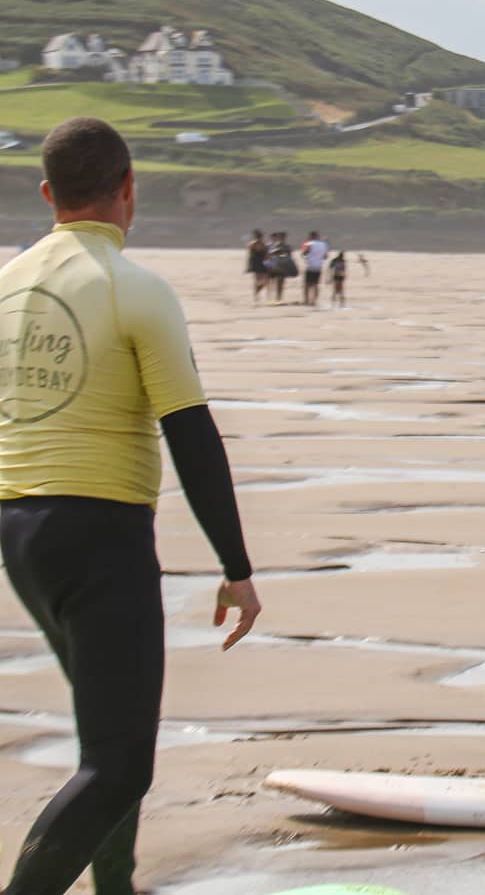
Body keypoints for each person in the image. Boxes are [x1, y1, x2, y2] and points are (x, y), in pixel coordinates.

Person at [0, 117, 261, 895]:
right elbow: (192, 436)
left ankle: (116, 885)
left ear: (49, 193)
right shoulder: (138, 289)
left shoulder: (7, 284)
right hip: (100, 535)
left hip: (18, 532)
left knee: (107, 733)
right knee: (119, 765)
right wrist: (236, 567)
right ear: (129, 191)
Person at [301, 231, 329, 307]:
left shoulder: (309, 244)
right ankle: (314, 301)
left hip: (310, 266)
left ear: (311, 236)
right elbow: (326, 256)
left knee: (307, 284)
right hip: (318, 266)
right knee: (316, 284)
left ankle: (306, 300)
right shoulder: (324, 244)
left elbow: (304, 253)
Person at [265, 231, 294, 303]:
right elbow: (270, 254)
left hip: (282, 266)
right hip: (275, 266)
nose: (282, 238)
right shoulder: (276, 245)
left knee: (280, 283)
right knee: (273, 282)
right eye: (281, 237)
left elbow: (289, 256)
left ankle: (278, 298)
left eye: (283, 237)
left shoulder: (287, 246)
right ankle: (271, 297)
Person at [245, 229, 269, 303]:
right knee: (258, 280)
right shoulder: (253, 244)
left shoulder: (263, 244)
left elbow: (266, 254)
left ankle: (257, 293)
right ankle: (256, 295)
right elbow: (251, 252)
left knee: (264, 280)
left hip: (262, 263)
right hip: (256, 263)